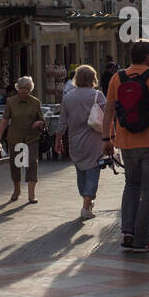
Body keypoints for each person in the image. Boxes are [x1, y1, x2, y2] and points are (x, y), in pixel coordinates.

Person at [101, 40, 149, 253]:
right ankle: (142, 240)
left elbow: (109, 111)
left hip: (126, 142)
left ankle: (127, 232)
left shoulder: (117, 78)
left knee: (131, 185)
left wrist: (106, 138)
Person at [55, 65, 106, 220]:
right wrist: (111, 138)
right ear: (93, 78)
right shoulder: (98, 95)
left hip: (75, 140)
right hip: (94, 140)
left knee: (81, 170)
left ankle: (86, 199)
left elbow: (62, 121)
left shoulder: (68, 97)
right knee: (92, 171)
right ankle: (86, 204)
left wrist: (58, 140)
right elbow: (108, 118)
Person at [0, 76, 46, 203]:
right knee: (15, 164)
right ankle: (16, 190)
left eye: (27, 88)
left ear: (30, 89)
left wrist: (38, 123)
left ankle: (31, 194)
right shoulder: (11, 102)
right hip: (15, 137)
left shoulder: (35, 102)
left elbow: (42, 119)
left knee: (31, 163)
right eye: (22, 88)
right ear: (17, 88)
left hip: (31, 137)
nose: (24, 91)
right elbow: (4, 120)